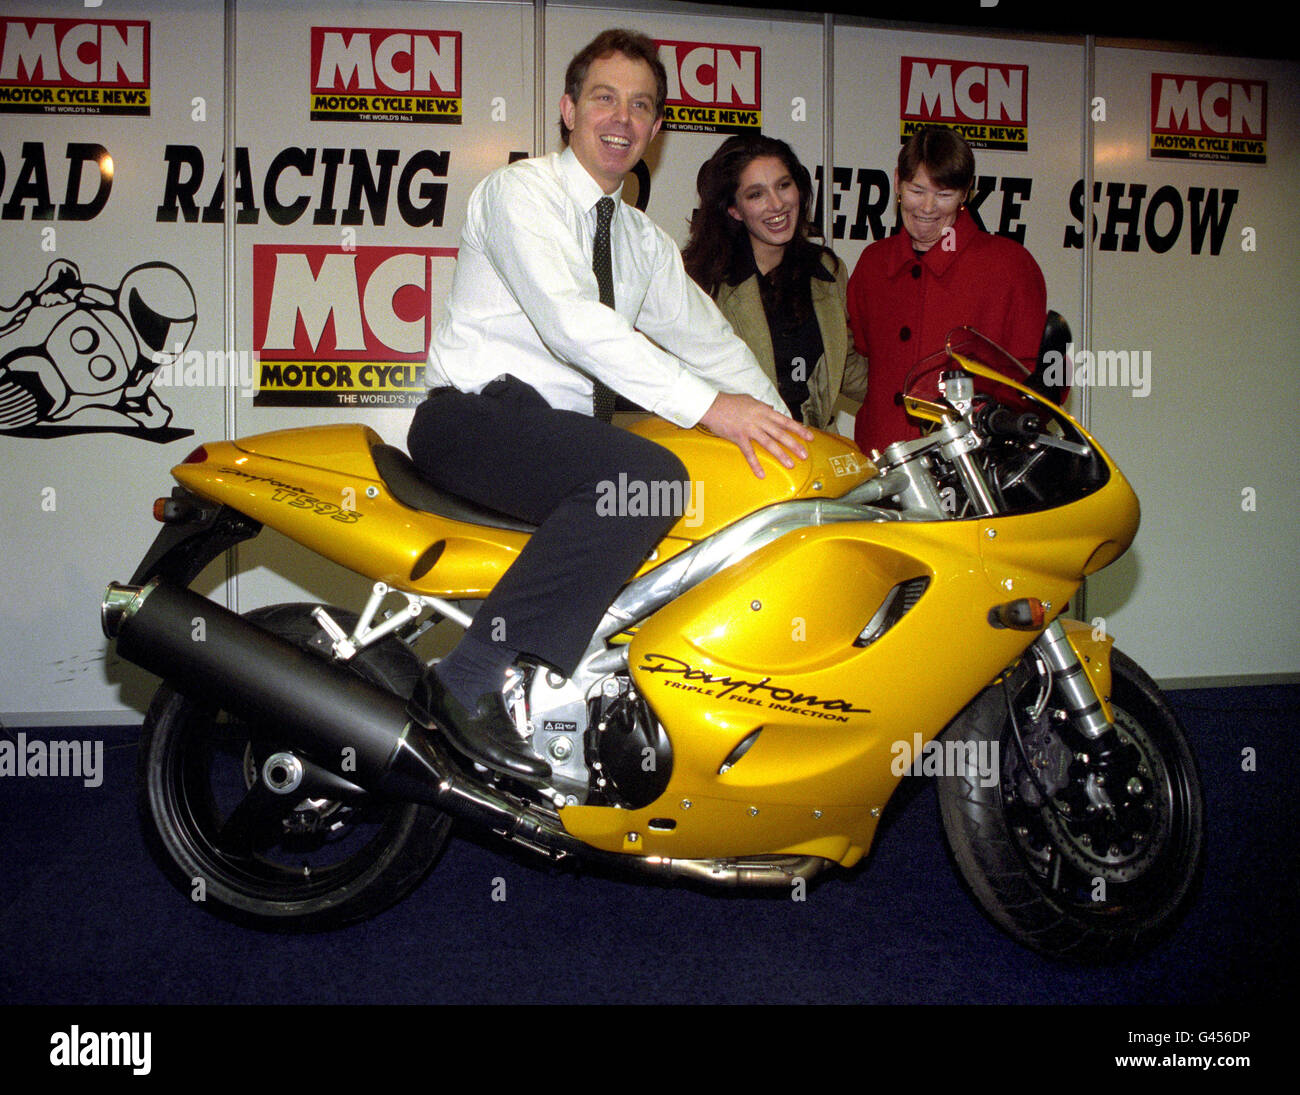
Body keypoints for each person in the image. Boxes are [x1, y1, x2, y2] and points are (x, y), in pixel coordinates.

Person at [405, 29, 813, 782]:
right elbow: (572, 321)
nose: (621, 117)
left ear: (656, 131)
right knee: (651, 479)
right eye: (604, 97)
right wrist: (713, 409)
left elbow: (711, 340)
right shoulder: (518, 193)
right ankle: (468, 678)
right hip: (472, 419)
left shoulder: (639, 242)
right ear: (568, 110)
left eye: (641, 105)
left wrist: (791, 431)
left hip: (551, 438)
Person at [846, 126, 1046, 453]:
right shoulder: (873, 263)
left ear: (966, 192)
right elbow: (859, 356)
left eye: (944, 194)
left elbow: (1039, 385)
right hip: (884, 460)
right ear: (897, 181)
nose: (927, 207)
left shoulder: (1009, 265)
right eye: (917, 190)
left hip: (974, 468)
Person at [683, 135, 866, 430]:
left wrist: (911, 391)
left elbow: (843, 366)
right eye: (756, 194)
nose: (777, 204)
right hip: (735, 455)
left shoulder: (827, 271)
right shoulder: (700, 280)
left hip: (812, 450)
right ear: (734, 209)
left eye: (784, 185)